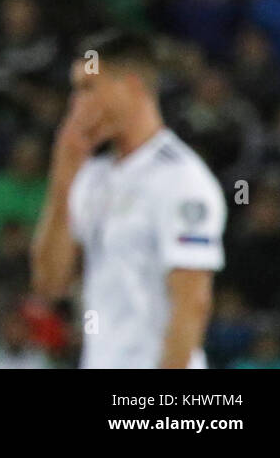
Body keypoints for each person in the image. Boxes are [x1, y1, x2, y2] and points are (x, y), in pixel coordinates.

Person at [31, 29, 227, 367]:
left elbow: (191, 305)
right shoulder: (93, 176)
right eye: (75, 91)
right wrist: (63, 179)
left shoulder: (180, 179)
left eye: (89, 88)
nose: (77, 105)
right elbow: (49, 283)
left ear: (133, 86)